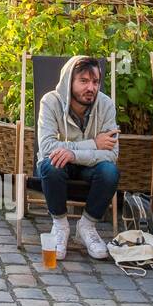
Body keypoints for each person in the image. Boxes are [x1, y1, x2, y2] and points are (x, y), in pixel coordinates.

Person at [35, 55, 119, 260]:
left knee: (110, 171)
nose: (91, 87)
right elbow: (46, 147)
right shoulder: (51, 102)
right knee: (51, 165)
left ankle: (86, 227)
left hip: (90, 167)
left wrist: (73, 153)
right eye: (84, 81)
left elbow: (112, 154)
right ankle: (61, 227)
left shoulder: (106, 105)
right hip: (61, 166)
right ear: (69, 81)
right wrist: (93, 144)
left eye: (95, 81)